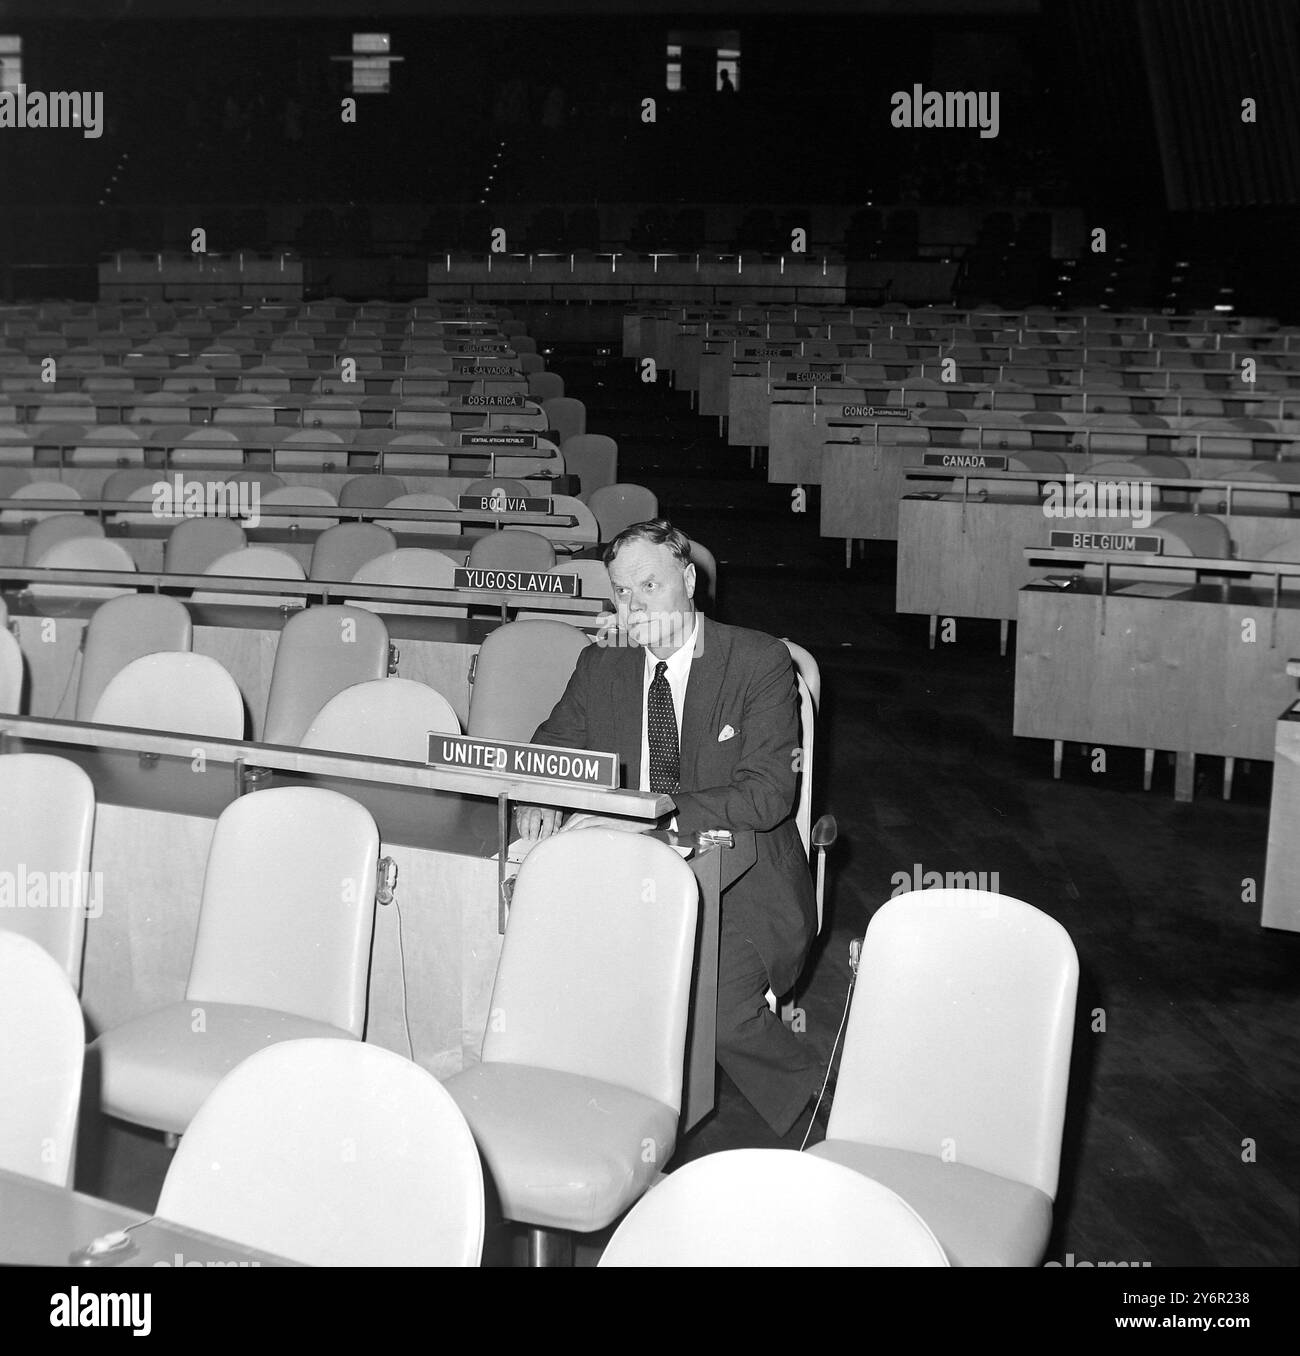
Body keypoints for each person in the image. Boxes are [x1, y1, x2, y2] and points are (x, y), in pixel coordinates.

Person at [517, 519, 826, 1138]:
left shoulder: (758, 660)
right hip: (626, 878)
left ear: (688, 582)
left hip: (742, 877)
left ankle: (822, 1110)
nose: (633, 608)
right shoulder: (601, 664)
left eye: (649, 586)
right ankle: (612, 1127)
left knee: (715, 1004)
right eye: (621, 594)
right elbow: (549, 748)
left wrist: (652, 813)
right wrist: (543, 794)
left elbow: (768, 796)